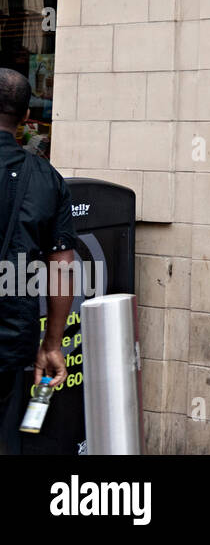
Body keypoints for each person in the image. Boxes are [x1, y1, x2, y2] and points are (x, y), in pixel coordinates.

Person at [0, 68, 74, 454]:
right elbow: (61, 268)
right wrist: (52, 343)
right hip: (11, 334)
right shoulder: (46, 179)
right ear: (27, 119)